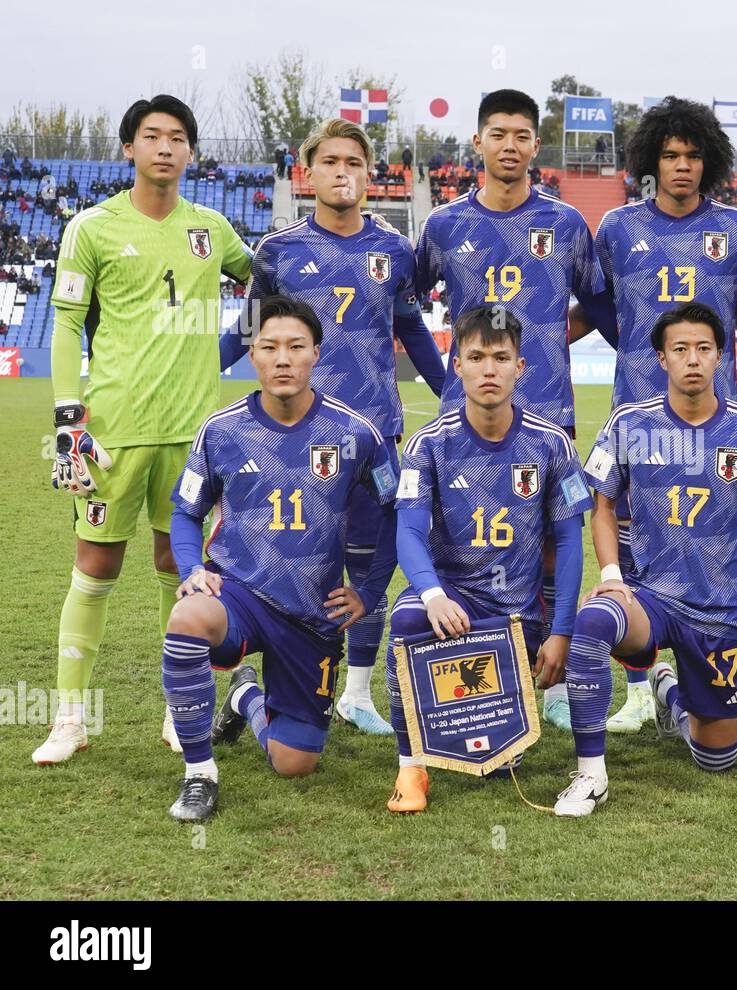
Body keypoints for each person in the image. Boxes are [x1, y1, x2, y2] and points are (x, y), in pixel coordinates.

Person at [33, 95, 254, 766]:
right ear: (128, 148)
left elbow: (267, 287)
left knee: (175, 565)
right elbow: (68, 324)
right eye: (152, 136)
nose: (165, 147)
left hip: (192, 437)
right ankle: (69, 718)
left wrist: (221, 353)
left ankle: (177, 706)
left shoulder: (212, 228)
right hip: (112, 429)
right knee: (96, 563)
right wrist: (69, 416)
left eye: (178, 137)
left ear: (191, 152)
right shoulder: (92, 228)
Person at [567, 95, 737, 733]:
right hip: (637, 415)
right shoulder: (616, 228)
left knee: (709, 546)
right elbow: (602, 313)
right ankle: (642, 689)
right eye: (670, 156)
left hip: (720, 419)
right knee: (633, 552)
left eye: (693, 156)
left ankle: (703, 672)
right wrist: (529, 344)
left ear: (709, 162)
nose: (682, 166)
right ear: (651, 162)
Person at [225, 117, 445, 736]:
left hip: (372, 435)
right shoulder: (278, 252)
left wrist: (451, 393)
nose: (342, 171)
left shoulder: (395, 252)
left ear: (370, 175)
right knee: (292, 557)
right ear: (309, 173)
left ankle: (356, 691)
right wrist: (189, 371)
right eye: (329, 161)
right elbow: (246, 333)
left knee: (370, 563)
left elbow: (410, 330)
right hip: (289, 439)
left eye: (354, 161)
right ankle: (270, 683)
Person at [413, 89, 606, 732]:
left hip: (548, 412)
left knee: (551, 543)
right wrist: (448, 367)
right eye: (498, 133)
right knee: (461, 541)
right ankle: (465, 660)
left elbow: (600, 307)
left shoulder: (568, 224)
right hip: (461, 417)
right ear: (477, 142)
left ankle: (546, 671)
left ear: (534, 146)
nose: (511, 146)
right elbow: (405, 302)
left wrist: (548, 335)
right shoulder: (443, 226)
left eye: (523, 136)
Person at [163, 295, 399, 821]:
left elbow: (394, 512)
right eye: (269, 347)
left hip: (313, 614)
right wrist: (192, 571)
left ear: (317, 352)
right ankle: (200, 773)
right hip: (239, 594)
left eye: (296, 346)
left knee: (294, 763)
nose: (283, 358)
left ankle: (245, 698)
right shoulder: (221, 430)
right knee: (186, 617)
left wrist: (368, 589)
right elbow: (185, 513)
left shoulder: (356, 434)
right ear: (254, 356)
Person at [555, 302, 737, 817]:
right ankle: (591, 774)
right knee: (593, 620)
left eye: (703, 348)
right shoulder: (630, 424)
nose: (693, 359)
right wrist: (612, 576)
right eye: (680, 349)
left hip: (718, 607)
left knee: (715, 757)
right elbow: (602, 502)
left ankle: (668, 693)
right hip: (650, 598)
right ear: (661, 358)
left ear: (721, 356)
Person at [384, 307, 591, 812]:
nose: (489, 369)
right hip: (451, 607)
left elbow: (568, 542)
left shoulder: (551, 443)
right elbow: (408, 531)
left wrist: (561, 630)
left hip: (519, 616)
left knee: (499, 765)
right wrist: (432, 595)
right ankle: (410, 769)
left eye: (501, 357)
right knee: (406, 616)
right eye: (476, 357)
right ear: (458, 365)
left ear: (521, 367)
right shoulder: (427, 445)